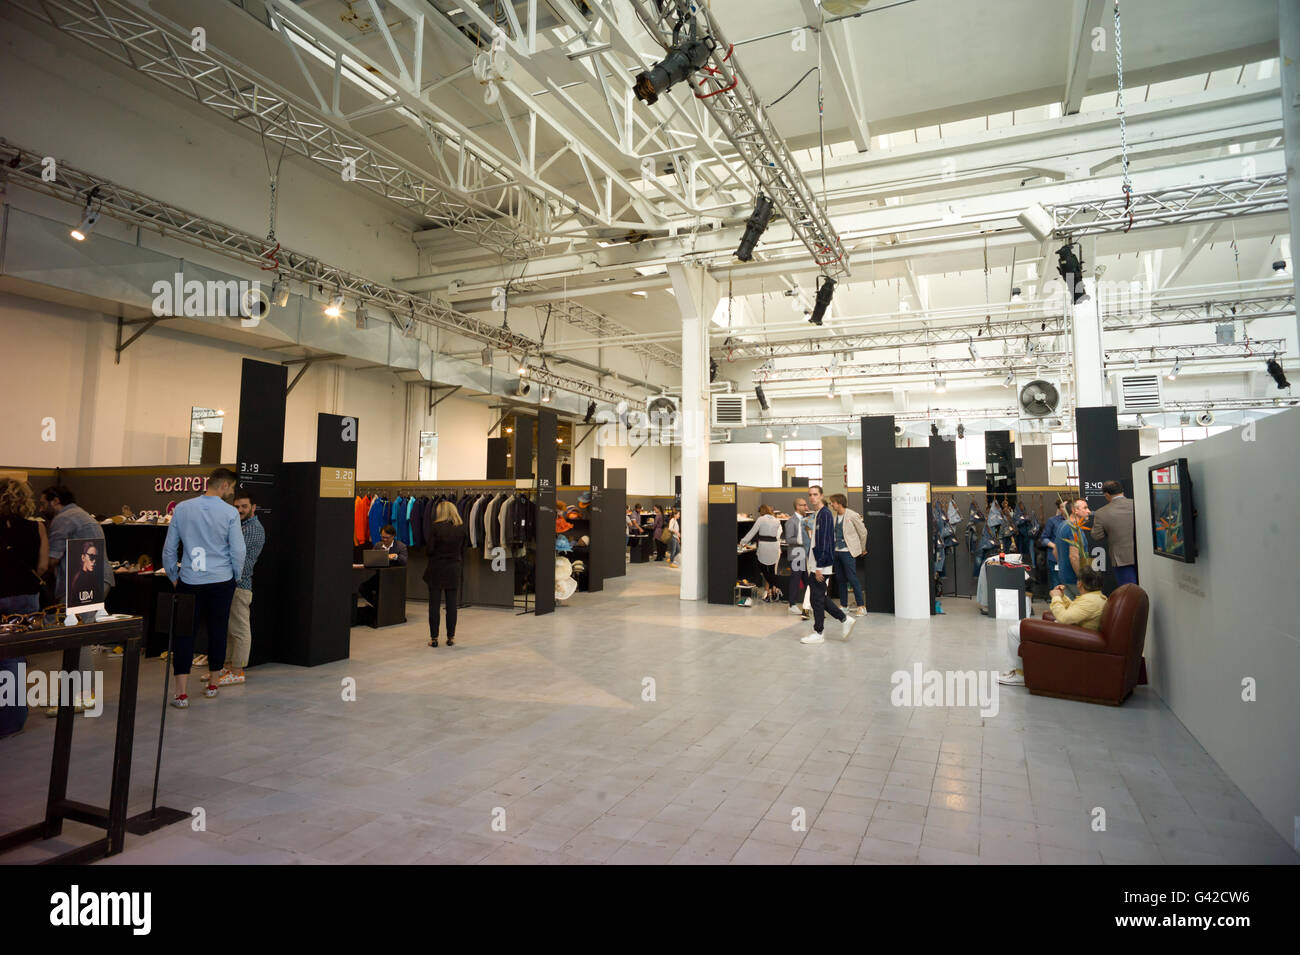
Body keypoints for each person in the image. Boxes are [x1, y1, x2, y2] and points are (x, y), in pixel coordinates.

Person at [162, 468, 245, 708]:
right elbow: (238, 550)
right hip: (221, 580)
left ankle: (181, 693)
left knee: (184, 634)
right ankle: (213, 685)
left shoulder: (182, 508)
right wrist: (236, 576)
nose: (231, 492)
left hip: (190, 580)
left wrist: (173, 575)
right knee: (218, 631)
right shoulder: (230, 512)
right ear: (224, 485)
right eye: (231, 488)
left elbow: (169, 549)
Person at [40, 485, 113, 694]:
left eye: (43, 503)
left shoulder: (64, 518)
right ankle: (75, 692)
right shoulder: (80, 514)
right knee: (78, 636)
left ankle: (82, 693)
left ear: (55, 500)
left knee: (78, 637)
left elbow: (51, 559)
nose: (40, 508)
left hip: (84, 579)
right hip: (92, 577)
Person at [999, 566, 1107, 686]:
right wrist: (1062, 597)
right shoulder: (1096, 598)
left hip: (1068, 636)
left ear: (1080, 583)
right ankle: (1019, 670)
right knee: (1019, 624)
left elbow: (1064, 618)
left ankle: (1020, 674)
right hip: (1073, 633)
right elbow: (1075, 611)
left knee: (1013, 631)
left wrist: (1055, 597)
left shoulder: (1089, 601)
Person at [0, 479, 48, 736]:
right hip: (26, 598)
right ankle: (12, 718)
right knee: (15, 658)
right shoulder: (37, 527)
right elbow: (42, 566)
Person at [219, 487, 265, 686]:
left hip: (239, 585)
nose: (239, 510)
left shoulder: (253, 530)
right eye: (236, 506)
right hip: (231, 585)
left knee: (239, 630)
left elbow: (240, 561)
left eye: (244, 506)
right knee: (231, 630)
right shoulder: (239, 526)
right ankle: (228, 667)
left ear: (253, 507)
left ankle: (237, 671)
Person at [801, 485, 854, 645]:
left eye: (815, 494)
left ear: (821, 496)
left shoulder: (825, 514)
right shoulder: (819, 514)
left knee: (817, 599)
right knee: (818, 597)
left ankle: (819, 632)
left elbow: (825, 542)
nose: (812, 497)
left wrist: (819, 567)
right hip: (816, 564)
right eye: (810, 495)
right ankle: (844, 619)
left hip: (821, 565)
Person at [424, 500, 466, 647]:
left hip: (436, 568)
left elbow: (429, 550)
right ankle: (451, 637)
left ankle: (434, 638)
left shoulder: (435, 528)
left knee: (434, 605)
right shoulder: (461, 528)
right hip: (453, 568)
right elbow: (463, 550)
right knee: (452, 605)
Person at [827, 493, 868, 616]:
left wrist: (862, 548)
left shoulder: (852, 515)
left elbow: (863, 532)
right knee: (840, 579)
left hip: (848, 552)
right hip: (836, 552)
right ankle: (844, 605)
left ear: (839, 503)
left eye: (833, 502)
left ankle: (861, 606)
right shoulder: (834, 518)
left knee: (852, 578)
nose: (831, 505)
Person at [1090, 480, 1137, 586]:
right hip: (1144, 555)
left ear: (1106, 495)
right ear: (1122, 491)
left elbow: (1097, 536)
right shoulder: (1138, 504)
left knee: (1128, 591)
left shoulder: (1101, 513)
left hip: (1121, 559)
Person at [739, 505, 783, 601]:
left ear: (761, 511)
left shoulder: (761, 519)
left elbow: (752, 532)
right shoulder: (777, 520)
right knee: (771, 569)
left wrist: (742, 542)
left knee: (761, 566)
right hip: (774, 545)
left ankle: (777, 586)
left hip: (764, 545)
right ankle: (773, 594)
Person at [1054, 497, 1092, 598]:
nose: (1089, 511)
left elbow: (1055, 551)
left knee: (1071, 607)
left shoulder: (1062, 525)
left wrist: (1064, 567)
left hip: (1064, 577)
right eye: (1085, 508)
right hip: (1075, 580)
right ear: (1075, 510)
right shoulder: (1074, 528)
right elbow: (1074, 557)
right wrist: (1081, 578)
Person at [783, 497, 811, 620]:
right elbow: (789, 539)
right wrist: (801, 540)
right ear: (797, 507)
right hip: (796, 553)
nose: (807, 507)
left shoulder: (805, 520)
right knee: (796, 579)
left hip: (805, 553)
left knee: (807, 580)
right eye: (804, 505)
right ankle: (792, 604)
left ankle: (810, 602)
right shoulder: (791, 521)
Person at [1039, 499, 1069, 589]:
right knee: (1056, 584)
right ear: (1059, 509)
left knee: (1070, 585)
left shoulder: (1076, 520)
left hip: (1071, 558)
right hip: (1055, 559)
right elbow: (1043, 538)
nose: (1065, 508)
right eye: (1063, 507)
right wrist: (1056, 546)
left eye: (1067, 506)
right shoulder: (1052, 521)